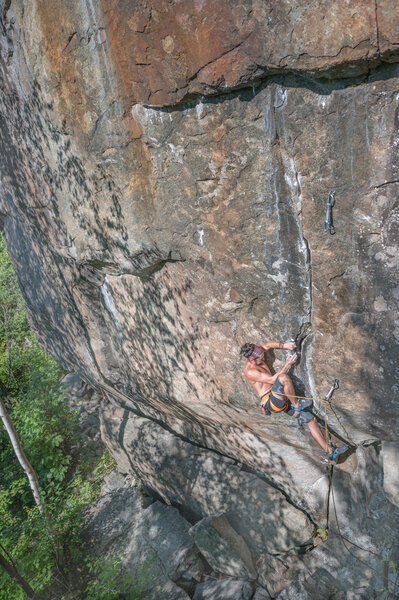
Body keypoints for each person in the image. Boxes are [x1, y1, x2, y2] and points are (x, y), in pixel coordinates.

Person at [241, 341, 348, 463]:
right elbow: (272, 380)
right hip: (272, 402)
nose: (263, 356)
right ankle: (297, 405)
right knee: (283, 378)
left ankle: (330, 453)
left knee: (310, 420)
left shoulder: (257, 352)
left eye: (262, 353)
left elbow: (268, 345)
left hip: (282, 398)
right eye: (260, 357)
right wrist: (287, 364)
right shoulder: (250, 371)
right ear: (252, 360)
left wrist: (284, 345)